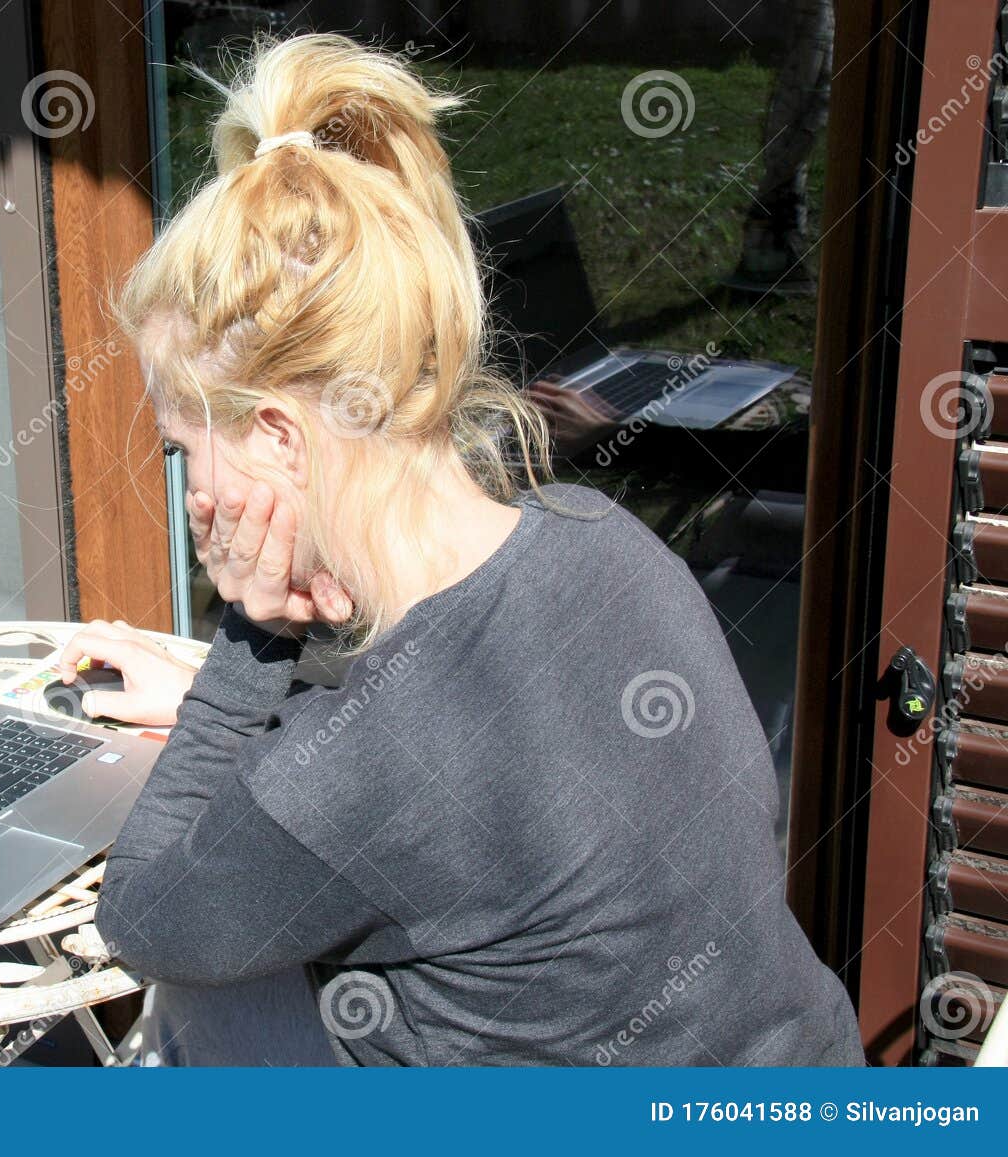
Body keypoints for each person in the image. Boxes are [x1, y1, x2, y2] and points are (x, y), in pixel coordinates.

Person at [58, 33, 862, 1067]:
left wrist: (248, 645)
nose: (189, 491)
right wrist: (266, 712)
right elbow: (473, 733)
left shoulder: (356, 769)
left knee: (205, 1001)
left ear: (279, 439)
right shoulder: (596, 536)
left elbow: (143, 917)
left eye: (183, 449)